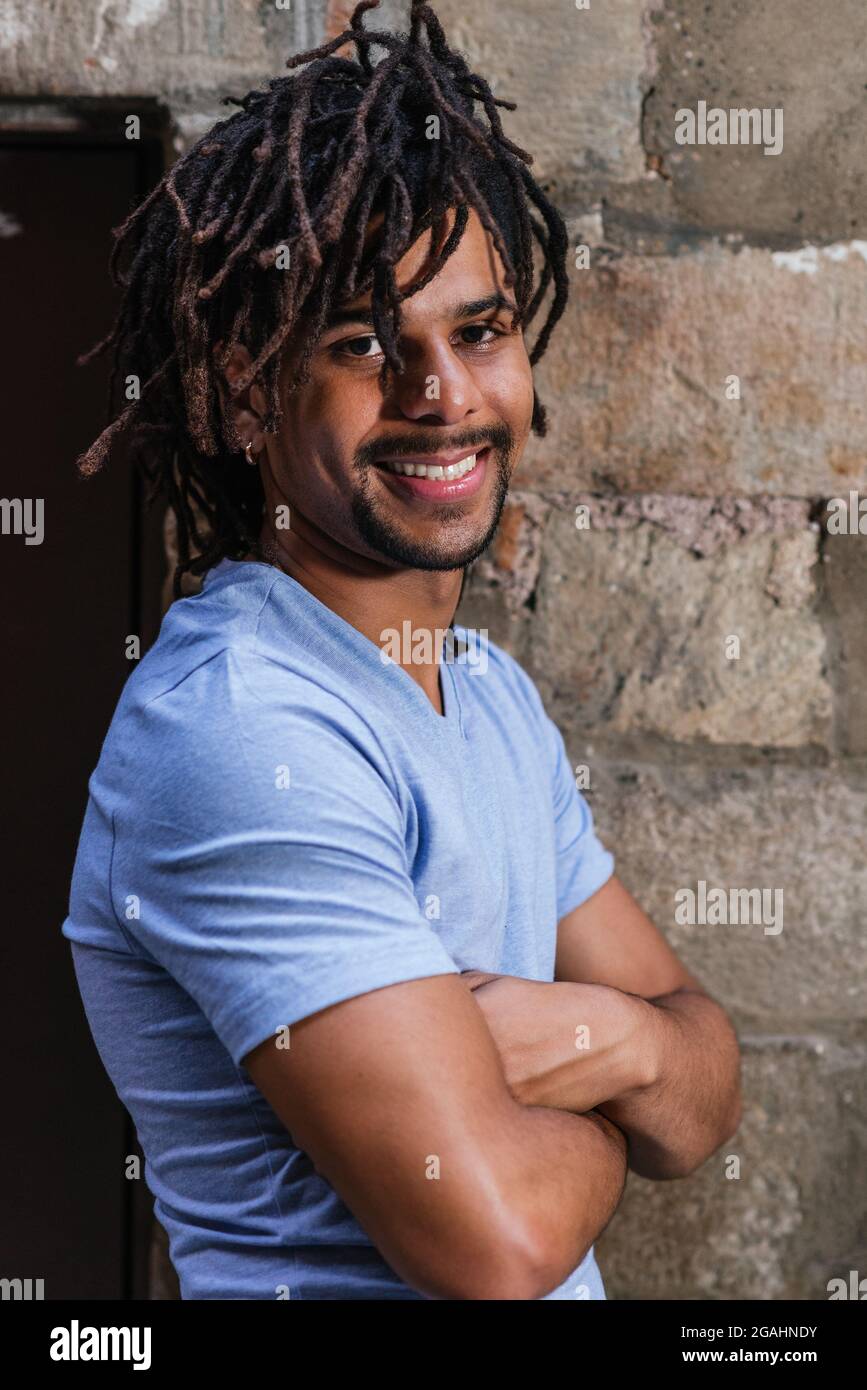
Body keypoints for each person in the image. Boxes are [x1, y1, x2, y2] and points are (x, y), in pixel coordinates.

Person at [63, 0, 741, 1300]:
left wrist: (609, 1040)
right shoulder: (241, 725)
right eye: (368, 343)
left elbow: (708, 1077)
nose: (444, 395)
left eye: (478, 332)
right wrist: (623, 1085)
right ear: (253, 385)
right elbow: (494, 1239)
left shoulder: (488, 699)